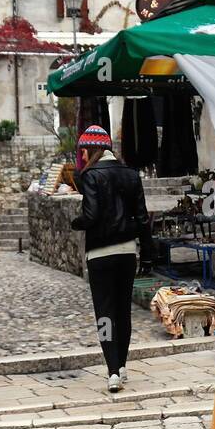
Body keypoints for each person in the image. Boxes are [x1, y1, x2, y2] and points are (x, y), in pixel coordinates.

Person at [71, 125, 154, 392]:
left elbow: (92, 215)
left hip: (100, 254)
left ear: (91, 149)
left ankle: (112, 370)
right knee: (123, 312)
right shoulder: (130, 174)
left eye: (84, 150)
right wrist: (149, 252)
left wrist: (77, 222)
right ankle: (123, 365)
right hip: (127, 252)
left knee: (105, 313)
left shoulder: (90, 176)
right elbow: (142, 217)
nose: (82, 155)